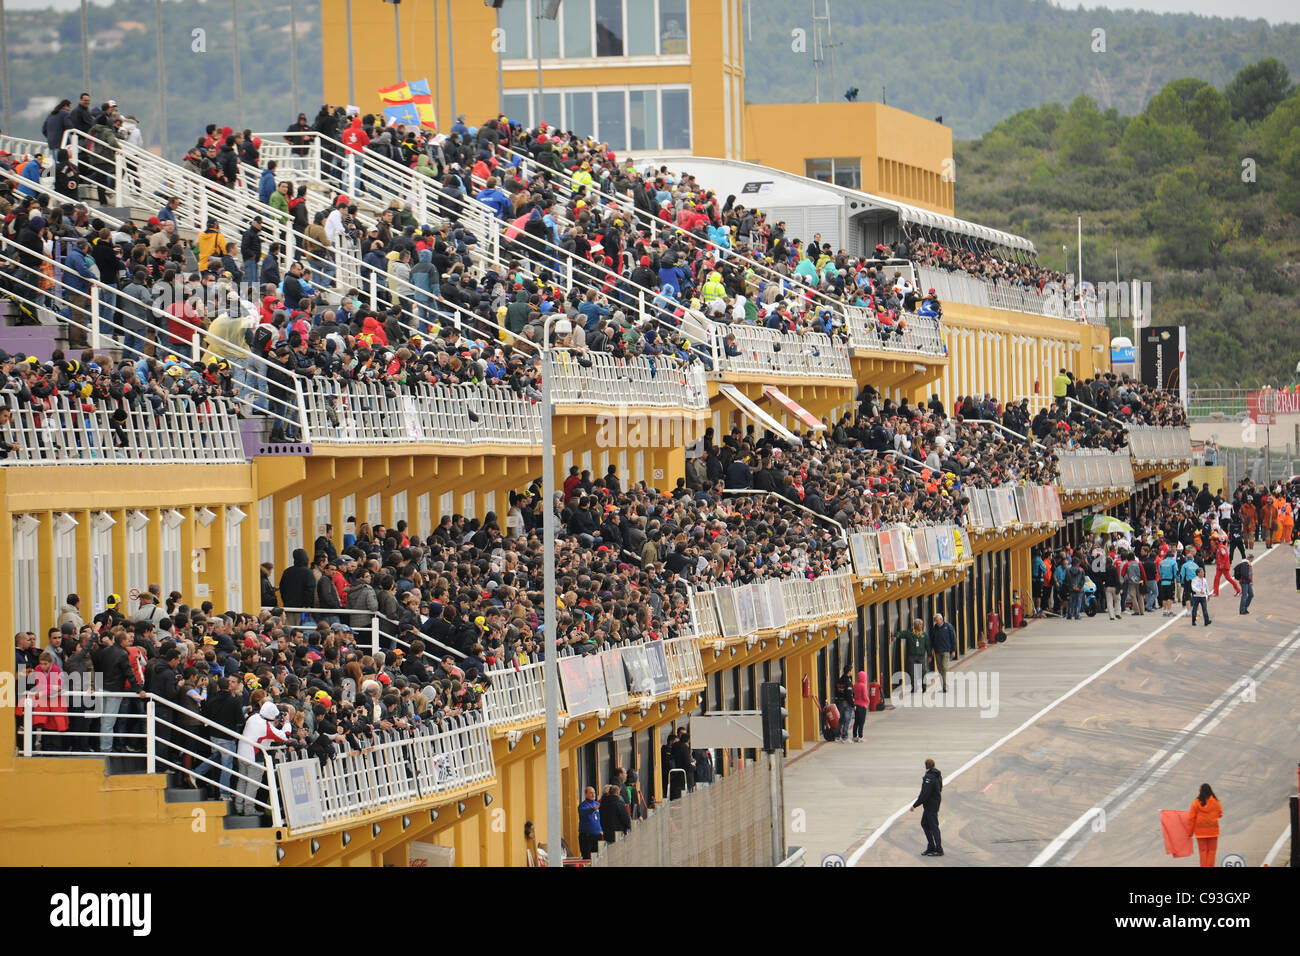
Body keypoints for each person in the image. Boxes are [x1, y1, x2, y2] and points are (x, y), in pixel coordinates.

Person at [235, 701, 292, 816]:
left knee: (242, 780)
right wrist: (287, 722)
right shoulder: (267, 728)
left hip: (241, 752)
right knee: (253, 784)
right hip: (254, 757)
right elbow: (284, 736)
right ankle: (248, 809)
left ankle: (238, 806)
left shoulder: (253, 717)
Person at [909, 757, 943, 857]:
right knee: (925, 824)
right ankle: (931, 846)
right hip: (933, 803)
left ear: (926, 766)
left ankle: (939, 849)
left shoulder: (929, 777)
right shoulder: (937, 775)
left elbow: (924, 794)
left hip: (931, 805)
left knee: (933, 826)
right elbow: (940, 788)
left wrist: (915, 805)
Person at [1185, 783, 1222, 868]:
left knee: (1203, 851)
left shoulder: (1195, 803)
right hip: (1213, 832)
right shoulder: (1216, 802)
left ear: (1200, 791)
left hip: (1200, 832)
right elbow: (1220, 813)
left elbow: (1191, 819)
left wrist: (1190, 833)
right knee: (1212, 851)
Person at [899, 617, 930, 696]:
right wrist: (895, 636)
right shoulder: (910, 633)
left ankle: (924, 687)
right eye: (919, 625)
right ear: (915, 625)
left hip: (921, 656)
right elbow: (901, 634)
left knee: (923, 671)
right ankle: (914, 687)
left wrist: (929, 655)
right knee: (912, 673)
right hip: (912, 656)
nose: (921, 626)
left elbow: (928, 646)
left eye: (921, 625)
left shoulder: (924, 635)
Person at [929, 613, 957, 693]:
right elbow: (932, 640)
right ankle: (943, 686)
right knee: (940, 669)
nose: (936, 622)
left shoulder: (948, 626)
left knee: (945, 668)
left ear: (941, 619)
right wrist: (932, 650)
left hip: (946, 651)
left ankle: (946, 686)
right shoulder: (934, 629)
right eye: (935, 621)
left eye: (937, 620)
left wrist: (953, 650)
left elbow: (953, 638)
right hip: (937, 651)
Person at [577, 785, 602, 860]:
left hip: (597, 835)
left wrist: (601, 830)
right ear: (586, 794)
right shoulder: (582, 805)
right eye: (591, 793)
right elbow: (585, 811)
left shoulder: (597, 804)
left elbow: (600, 818)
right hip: (586, 836)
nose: (593, 794)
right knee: (587, 858)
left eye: (594, 792)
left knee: (597, 858)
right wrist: (593, 809)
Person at [834, 665, 854, 740]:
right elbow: (849, 694)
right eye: (851, 671)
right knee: (847, 719)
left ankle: (838, 735)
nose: (852, 672)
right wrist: (852, 704)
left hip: (840, 701)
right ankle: (845, 735)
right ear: (849, 672)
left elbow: (837, 691)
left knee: (841, 719)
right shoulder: (848, 681)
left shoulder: (840, 679)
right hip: (847, 702)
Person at [851, 670, 869, 742]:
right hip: (862, 706)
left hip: (856, 705)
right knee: (861, 722)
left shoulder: (855, 685)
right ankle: (860, 737)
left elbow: (853, 695)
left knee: (856, 722)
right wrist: (868, 701)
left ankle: (855, 736)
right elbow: (865, 696)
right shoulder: (863, 686)